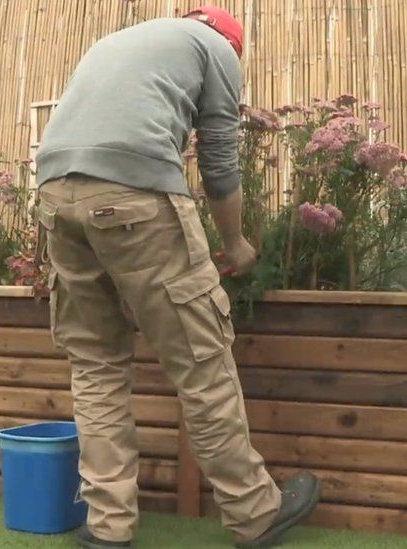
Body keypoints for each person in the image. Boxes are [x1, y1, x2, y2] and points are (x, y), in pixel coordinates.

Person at [34, 6, 321, 549]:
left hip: (55, 195)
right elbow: (218, 163)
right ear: (233, 45)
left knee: (96, 365)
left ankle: (107, 526)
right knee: (201, 361)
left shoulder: (119, 41)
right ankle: (254, 510)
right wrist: (235, 243)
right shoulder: (218, 52)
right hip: (136, 195)